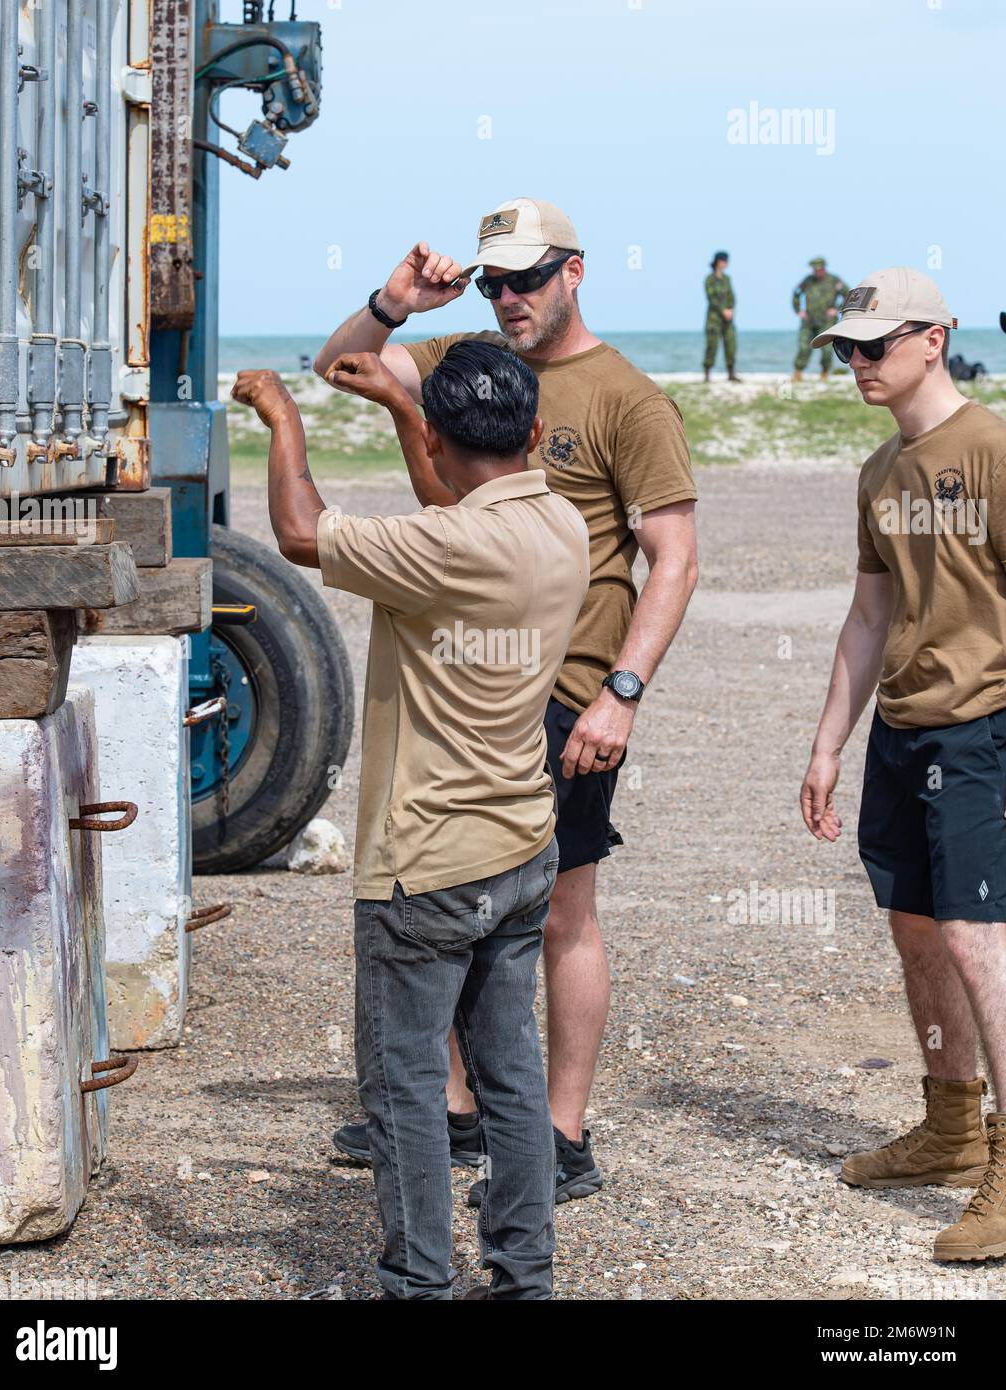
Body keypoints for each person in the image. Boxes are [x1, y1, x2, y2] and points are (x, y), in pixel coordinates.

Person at [315, 197, 699, 1206]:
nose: (507, 297)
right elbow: (341, 368)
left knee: (562, 911)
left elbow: (673, 560)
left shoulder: (628, 399)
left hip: (568, 692)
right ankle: (452, 1108)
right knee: (440, 895)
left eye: (525, 278)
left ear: (574, 273)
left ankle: (562, 1133)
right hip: (465, 684)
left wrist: (621, 694)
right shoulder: (472, 359)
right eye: (492, 281)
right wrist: (391, 305)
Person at [232, 342, 589, 1299]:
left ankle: (421, 1282)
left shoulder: (446, 549)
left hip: (425, 865)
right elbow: (457, 505)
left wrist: (282, 417)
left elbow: (302, 534)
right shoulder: (562, 526)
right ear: (537, 435)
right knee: (511, 1079)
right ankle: (524, 1274)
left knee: (404, 1093)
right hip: (521, 847)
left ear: (437, 436)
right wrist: (401, 404)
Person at [800, 266, 1006, 1263]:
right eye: (847, 346)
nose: (855, 362)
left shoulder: (995, 450)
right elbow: (868, 613)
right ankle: (947, 1124)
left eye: (873, 345)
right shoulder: (878, 472)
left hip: (984, 728)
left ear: (935, 337)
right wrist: (826, 744)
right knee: (917, 928)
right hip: (901, 730)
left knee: (977, 938)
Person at [791, 256, 848, 381]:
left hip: (827, 321)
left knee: (827, 349)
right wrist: (798, 311)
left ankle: (824, 372)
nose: (817, 271)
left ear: (824, 268)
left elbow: (848, 295)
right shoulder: (808, 281)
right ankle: (798, 372)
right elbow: (796, 293)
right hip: (808, 321)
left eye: (819, 269)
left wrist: (837, 309)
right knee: (803, 347)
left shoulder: (834, 280)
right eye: (815, 269)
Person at [703, 251, 739, 383]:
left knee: (731, 345)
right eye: (723, 260)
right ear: (717, 262)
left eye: (726, 261)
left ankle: (731, 373)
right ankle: (707, 374)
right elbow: (711, 298)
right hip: (714, 319)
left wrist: (731, 309)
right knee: (712, 346)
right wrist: (722, 310)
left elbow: (732, 296)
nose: (725, 263)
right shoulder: (710, 279)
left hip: (728, 320)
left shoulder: (727, 279)